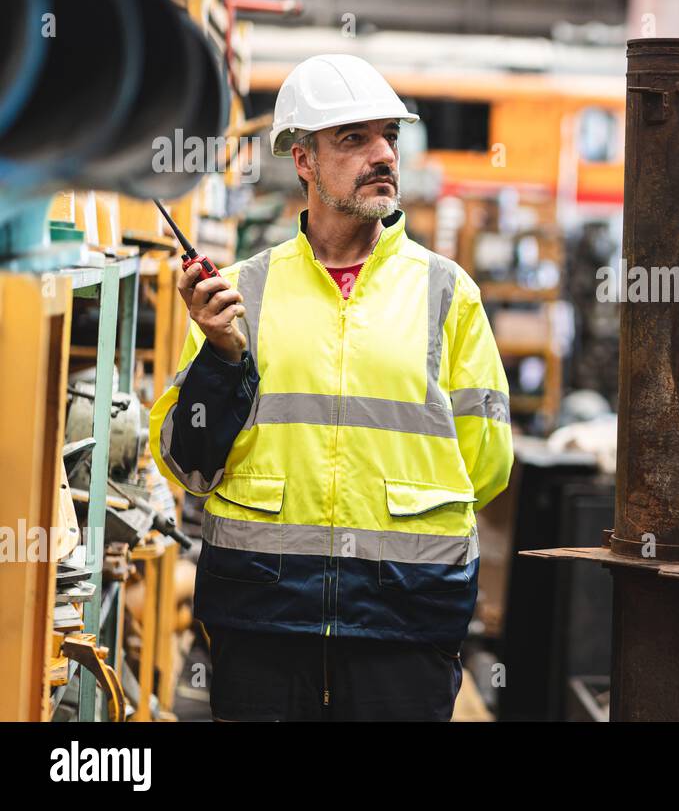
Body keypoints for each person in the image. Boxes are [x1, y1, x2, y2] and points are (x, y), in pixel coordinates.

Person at [148, 54, 513, 720]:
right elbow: (188, 464)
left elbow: (487, 467)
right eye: (354, 138)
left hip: (404, 621)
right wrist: (222, 357)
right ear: (304, 161)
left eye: (389, 137)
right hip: (263, 619)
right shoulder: (237, 296)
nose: (383, 155)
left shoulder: (446, 294)